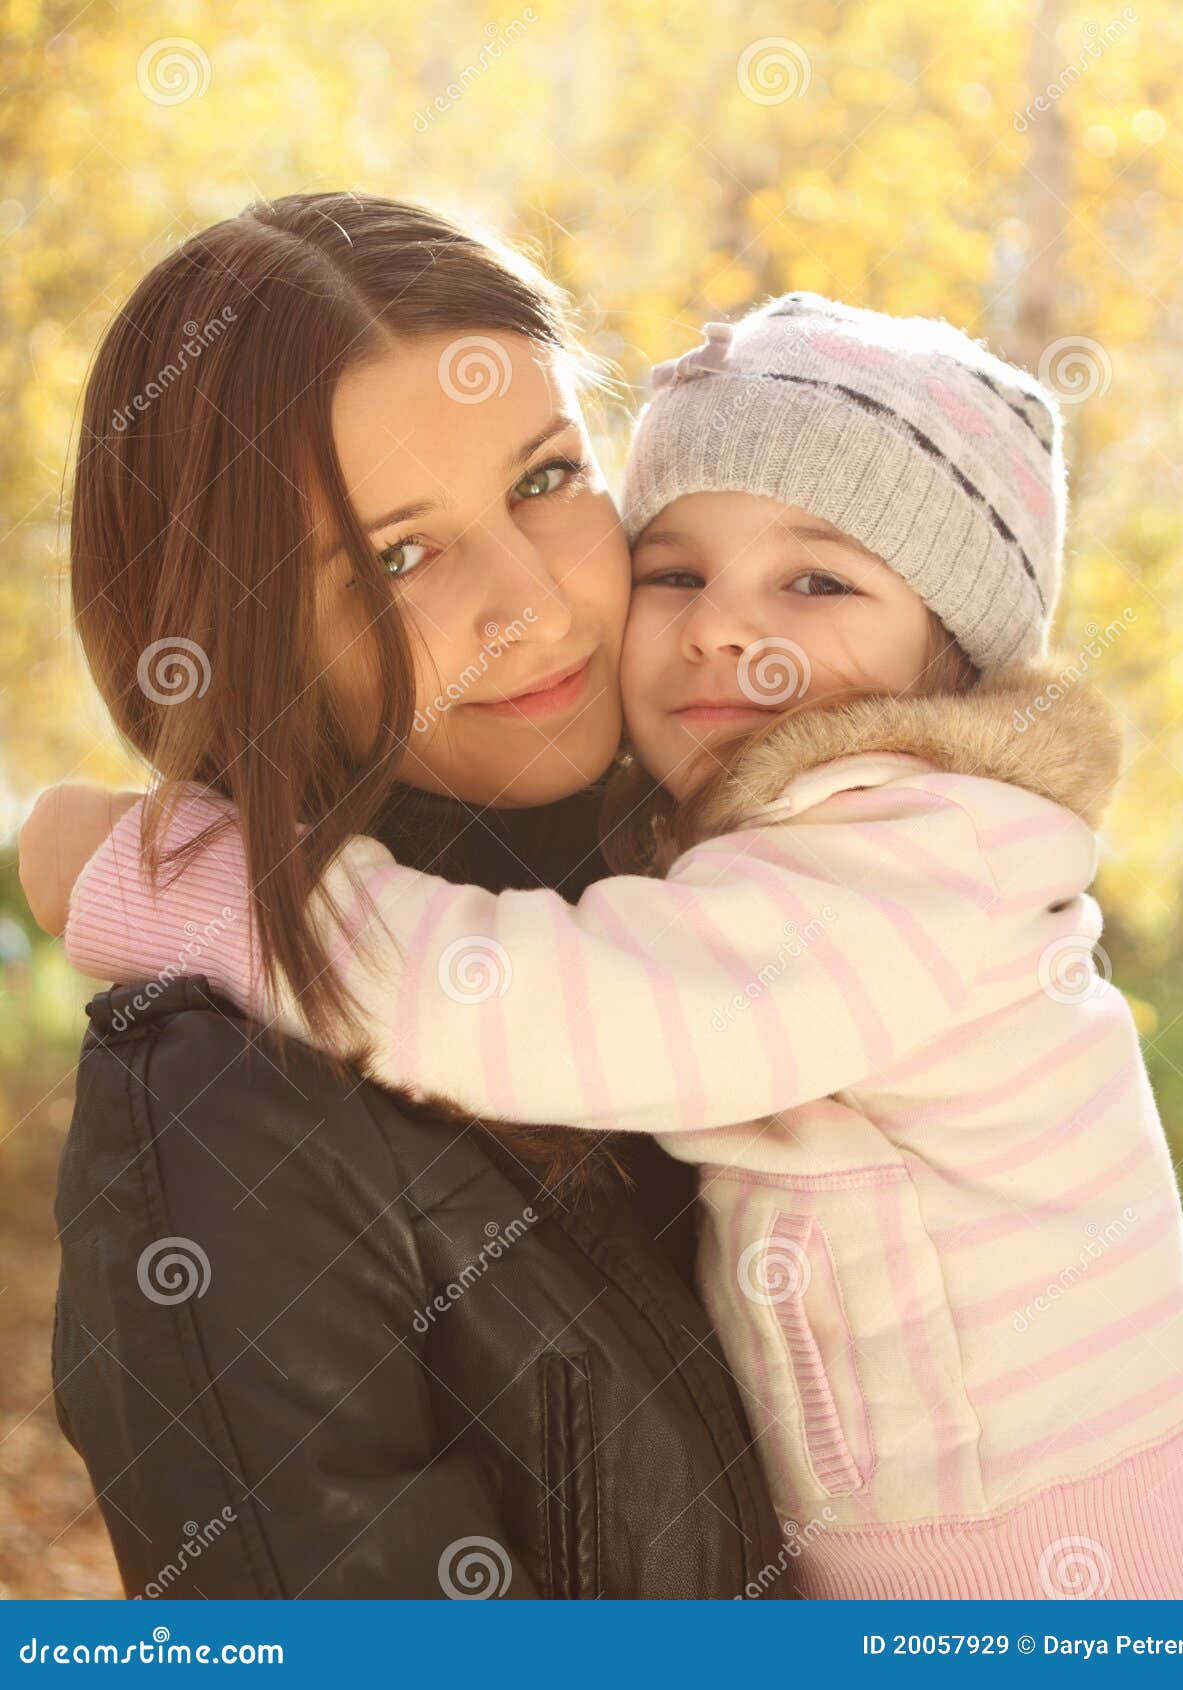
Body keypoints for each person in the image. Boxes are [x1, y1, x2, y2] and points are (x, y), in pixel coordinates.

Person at [35, 293, 1183, 1600]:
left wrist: (184, 880)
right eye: (676, 569)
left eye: (816, 579)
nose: (724, 626)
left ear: (946, 658)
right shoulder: (728, 854)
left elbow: (516, 1002)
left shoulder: (911, 853)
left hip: (1058, 1571)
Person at [21, 190, 795, 1600]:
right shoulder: (221, 1107)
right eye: (396, 554)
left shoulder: (764, 894)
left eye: (545, 478)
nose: (536, 604)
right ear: (236, 636)